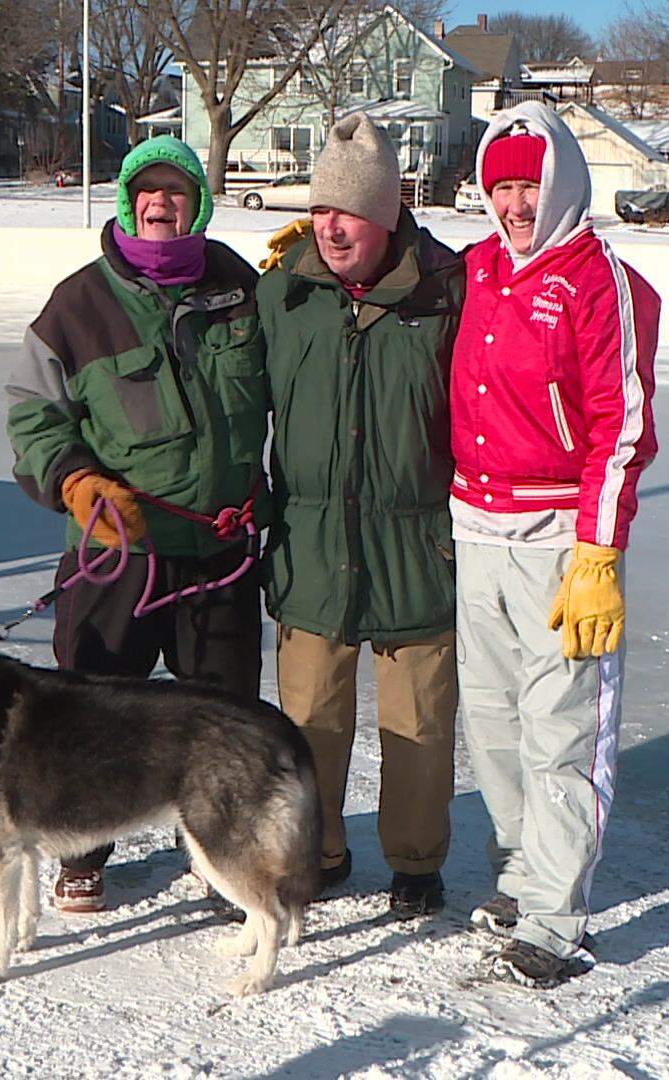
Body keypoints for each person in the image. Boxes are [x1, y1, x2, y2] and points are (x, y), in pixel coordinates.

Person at [4, 136, 269, 913]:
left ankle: (222, 852)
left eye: (175, 190)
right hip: (117, 553)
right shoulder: (79, 305)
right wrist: (74, 479)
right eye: (145, 190)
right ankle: (82, 854)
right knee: (92, 712)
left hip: (219, 551)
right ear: (126, 201)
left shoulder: (240, 288)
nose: (160, 202)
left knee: (223, 718)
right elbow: (33, 414)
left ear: (199, 203)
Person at [450, 101, 660, 987]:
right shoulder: (478, 269)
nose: (515, 205)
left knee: (560, 729)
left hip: (558, 541)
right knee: (493, 722)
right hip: (475, 526)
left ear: (563, 184)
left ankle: (555, 915)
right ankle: (521, 873)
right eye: (501, 188)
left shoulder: (599, 281)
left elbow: (621, 427)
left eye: (530, 186)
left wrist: (598, 553)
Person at [258, 115, 465, 918]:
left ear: (386, 215)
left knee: (419, 726)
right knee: (309, 720)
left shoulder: (444, 293)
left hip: (416, 544)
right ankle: (319, 851)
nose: (332, 227)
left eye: (349, 212)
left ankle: (415, 861)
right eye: (321, 210)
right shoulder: (283, 294)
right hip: (311, 544)